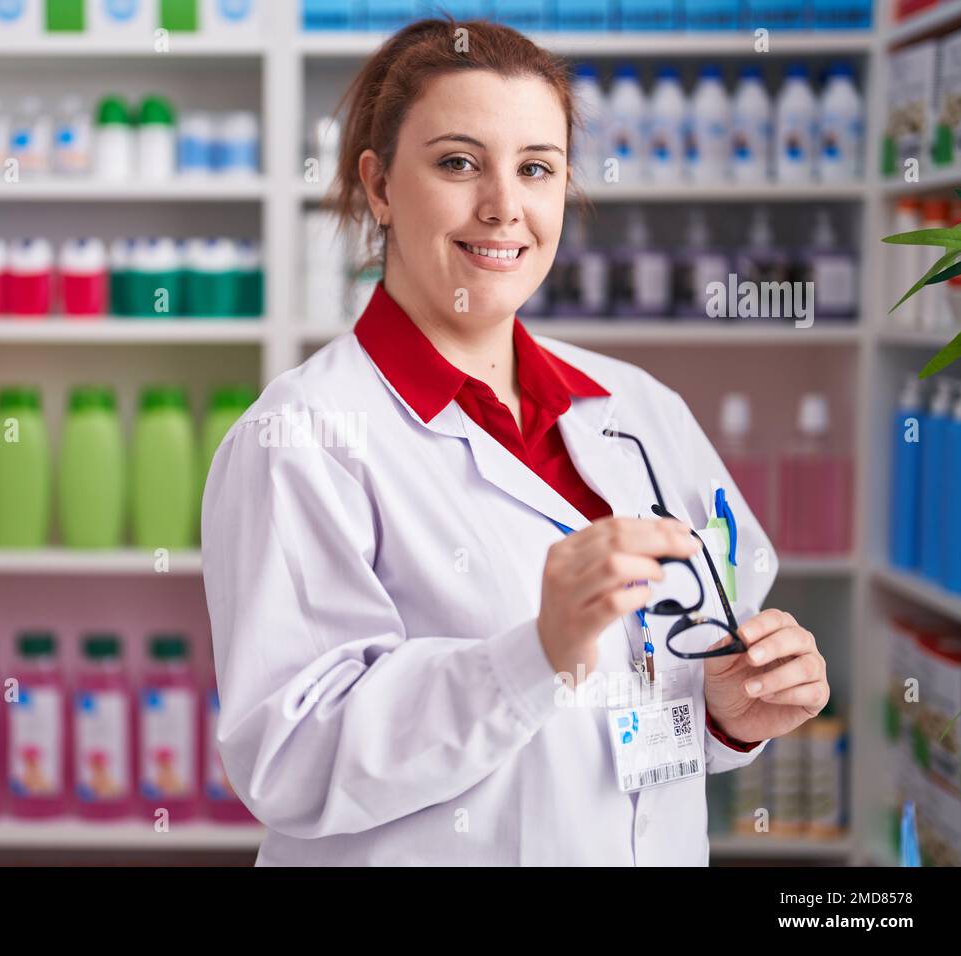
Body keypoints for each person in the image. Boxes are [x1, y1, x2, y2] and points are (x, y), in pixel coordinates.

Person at [201, 18, 829, 866]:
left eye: (536, 168)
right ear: (380, 186)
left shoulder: (638, 410)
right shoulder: (304, 438)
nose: (504, 205)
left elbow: (663, 684)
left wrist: (725, 713)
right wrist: (531, 656)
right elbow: (290, 759)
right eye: (459, 163)